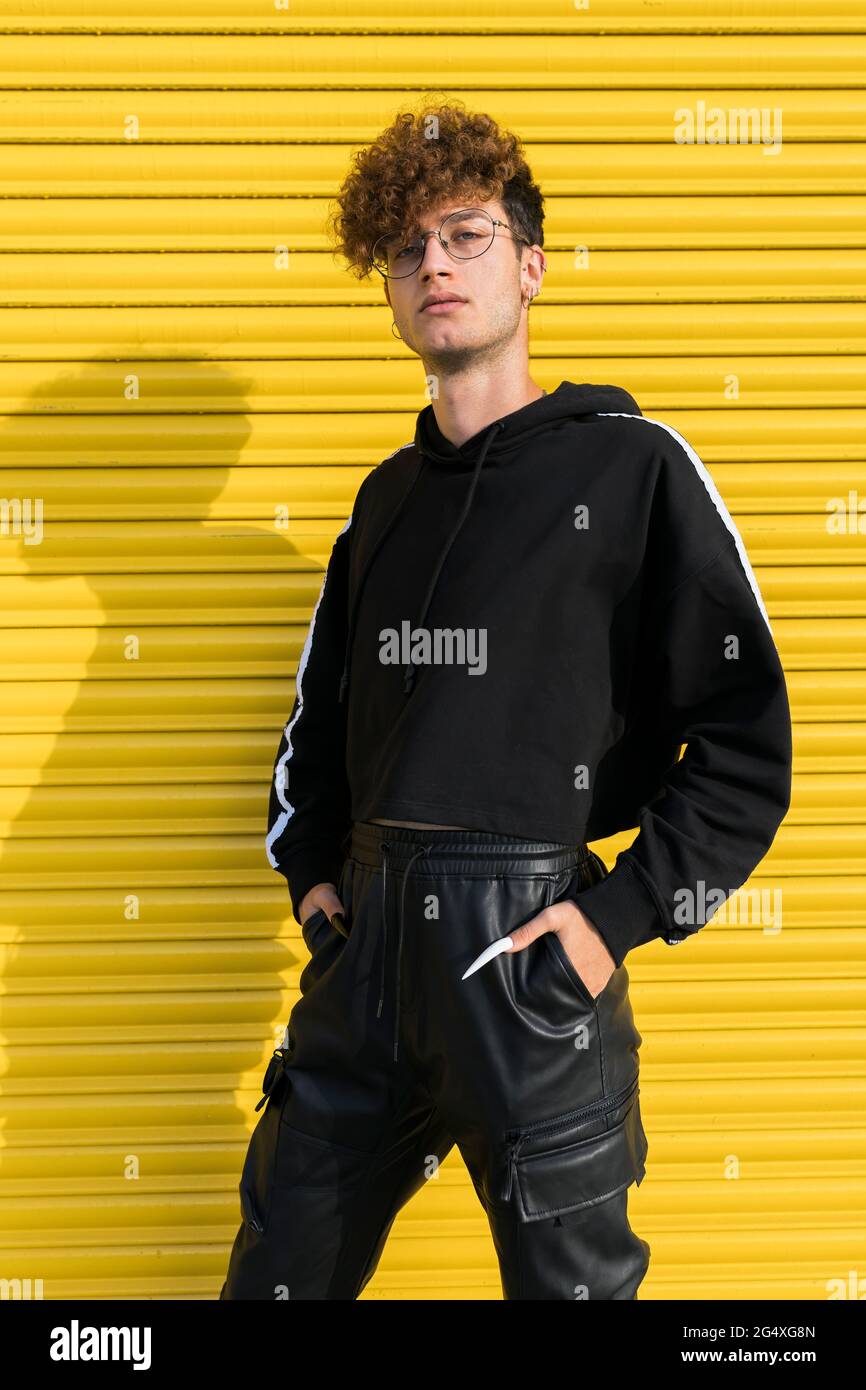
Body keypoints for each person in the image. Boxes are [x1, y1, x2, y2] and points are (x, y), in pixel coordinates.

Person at [219, 100, 792, 1301]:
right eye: (405, 248)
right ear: (385, 289)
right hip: (365, 957)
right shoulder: (379, 506)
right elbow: (312, 737)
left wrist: (611, 920)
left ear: (530, 266)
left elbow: (747, 740)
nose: (433, 264)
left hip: (524, 963)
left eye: (466, 234)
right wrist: (319, 891)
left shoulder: (631, 467)